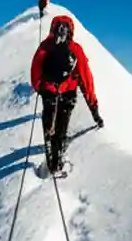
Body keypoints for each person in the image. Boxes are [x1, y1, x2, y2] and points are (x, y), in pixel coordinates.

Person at [30, 14, 103, 176]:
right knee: (62, 124)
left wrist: (40, 88)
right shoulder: (75, 49)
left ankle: (49, 146)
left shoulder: (45, 46)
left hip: (49, 91)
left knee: (49, 117)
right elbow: (86, 79)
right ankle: (58, 155)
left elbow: (35, 71)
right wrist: (94, 110)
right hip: (68, 92)